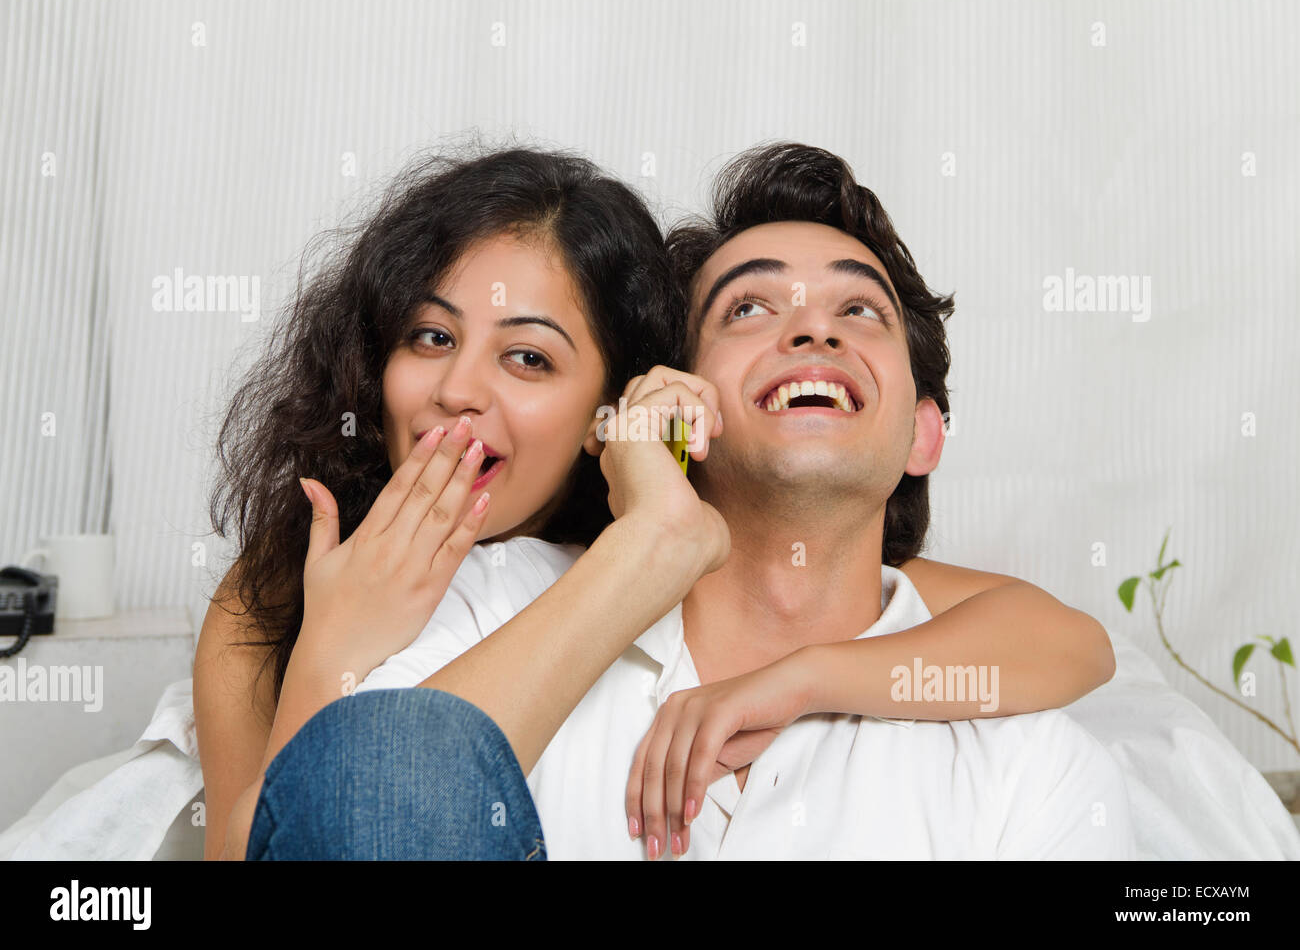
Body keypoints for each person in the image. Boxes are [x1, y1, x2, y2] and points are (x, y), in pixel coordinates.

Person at [231, 141, 1132, 860]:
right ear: (668, 398)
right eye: (748, 309)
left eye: (860, 312)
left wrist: (793, 683)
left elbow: (1079, 641)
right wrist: (652, 540)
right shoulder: (469, 602)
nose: (811, 326)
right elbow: (337, 821)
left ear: (923, 436)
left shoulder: (1028, 762)